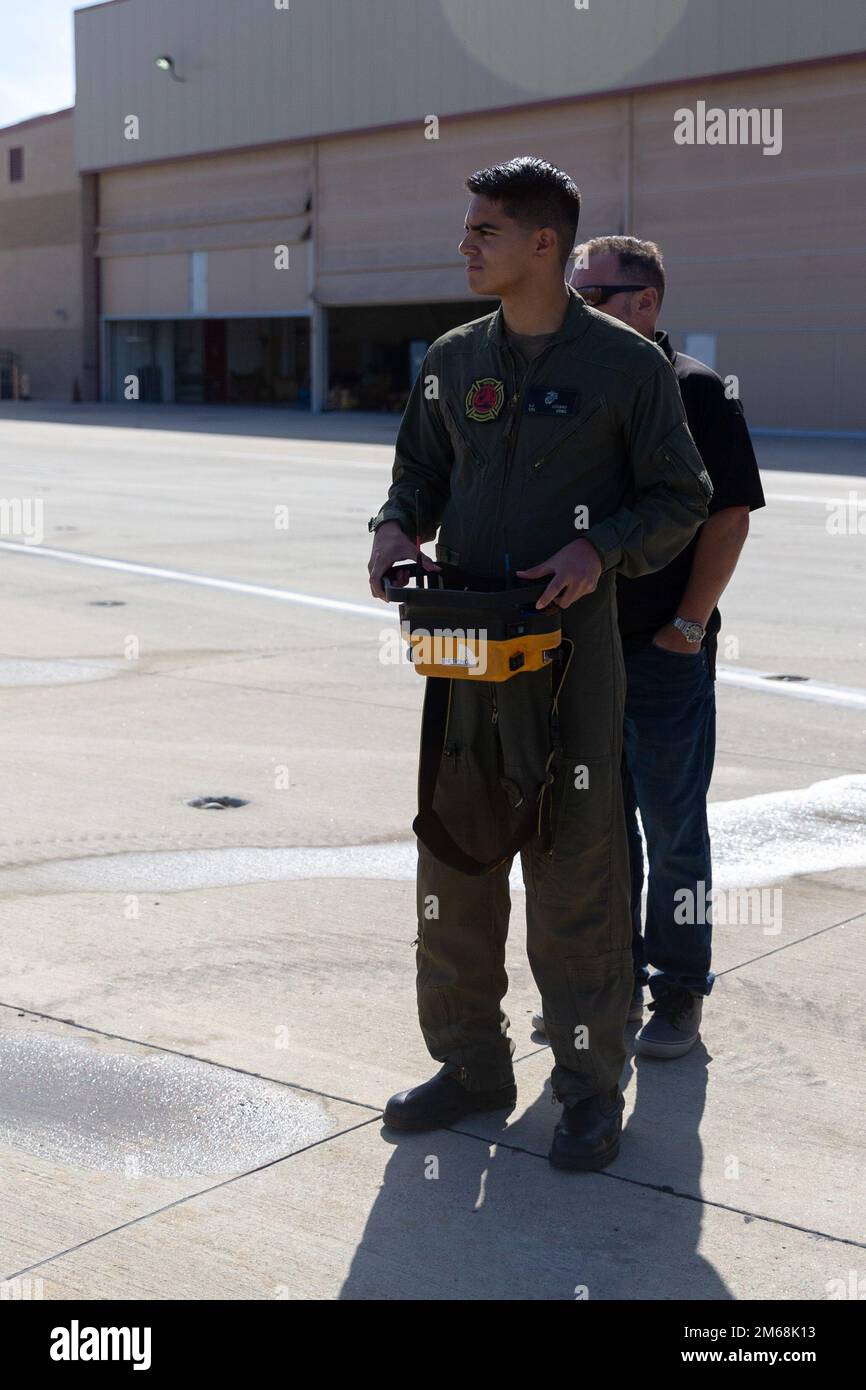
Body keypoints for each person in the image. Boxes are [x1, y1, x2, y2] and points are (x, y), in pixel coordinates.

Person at [367, 159, 712, 1170]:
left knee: (574, 875)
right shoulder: (451, 356)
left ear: (542, 245)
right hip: (462, 652)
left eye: (483, 230)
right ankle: (471, 1061)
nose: (464, 245)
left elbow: (678, 495)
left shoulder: (626, 366)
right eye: (468, 228)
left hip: (569, 663)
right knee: (455, 858)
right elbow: (417, 472)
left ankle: (587, 1085)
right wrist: (394, 528)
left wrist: (596, 546)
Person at [551, 235, 764, 1059]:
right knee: (599, 827)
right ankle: (615, 983)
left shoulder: (695, 393)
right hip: (581, 650)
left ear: (644, 302)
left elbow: (729, 518)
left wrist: (686, 628)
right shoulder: (579, 384)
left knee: (673, 825)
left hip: (661, 651)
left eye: (589, 293)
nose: (571, 306)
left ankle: (679, 989)